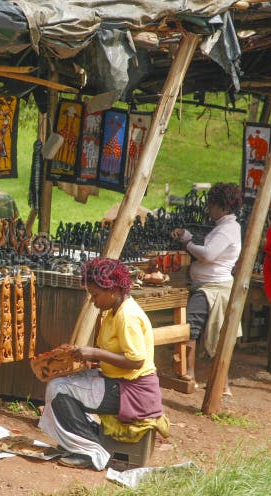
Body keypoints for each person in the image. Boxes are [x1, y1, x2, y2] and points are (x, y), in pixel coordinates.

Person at [38, 257, 164, 470]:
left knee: (58, 388)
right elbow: (114, 354)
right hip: (121, 384)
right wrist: (83, 357)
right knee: (62, 382)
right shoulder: (113, 311)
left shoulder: (127, 316)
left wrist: (94, 352)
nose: (93, 300)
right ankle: (85, 441)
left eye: (95, 295)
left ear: (112, 290)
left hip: (131, 392)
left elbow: (136, 360)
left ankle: (90, 452)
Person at [171, 182, 243, 394]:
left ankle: (191, 374)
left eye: (211, 206)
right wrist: (191, 239)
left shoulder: (228, 229)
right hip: (209, 285)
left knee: (190, 327)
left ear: (221, 206)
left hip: (213, 289)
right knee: (211, 333)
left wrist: (187, 242)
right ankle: (221, 382)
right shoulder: (225, 227)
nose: (209, 210)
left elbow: (208, 255)